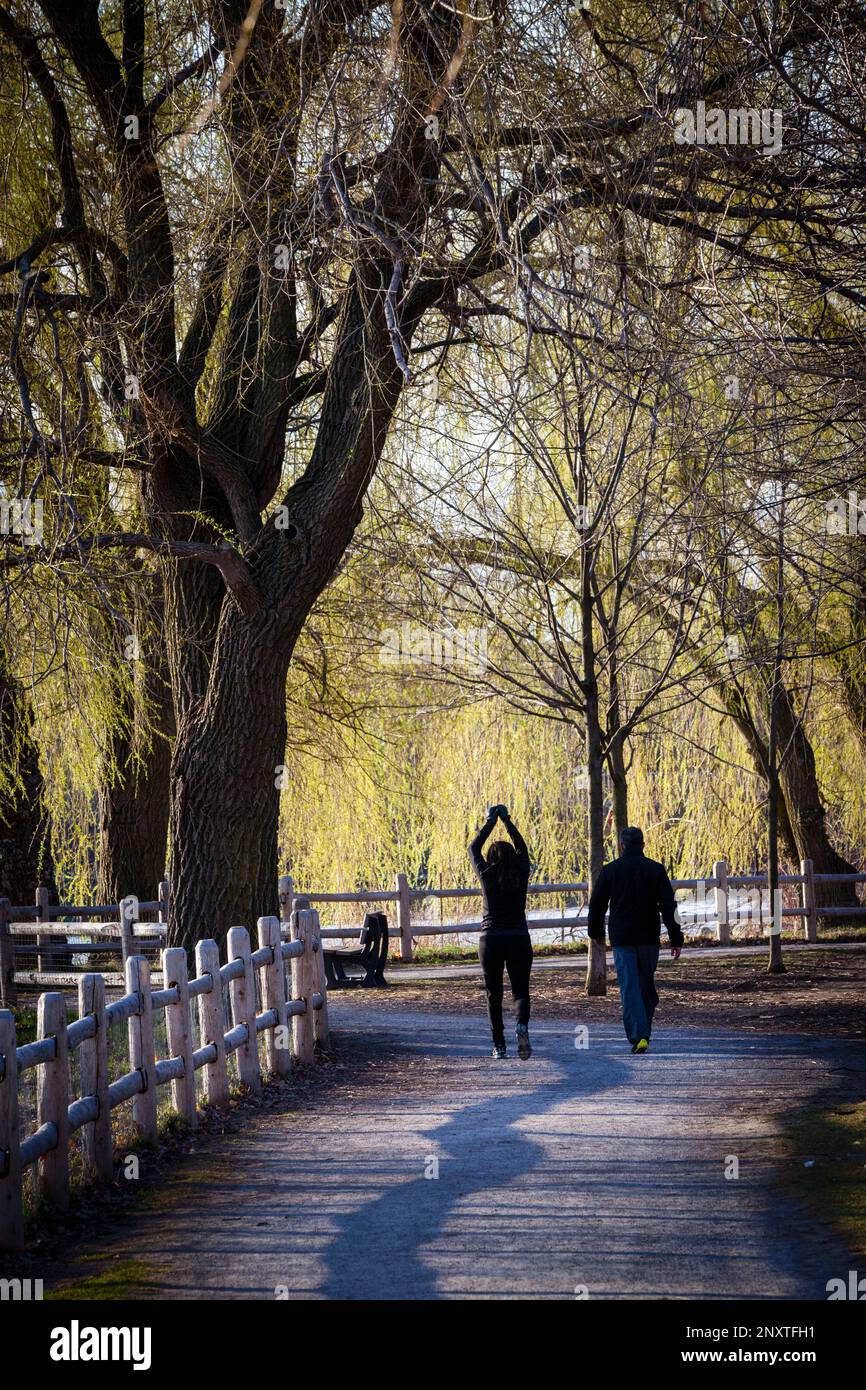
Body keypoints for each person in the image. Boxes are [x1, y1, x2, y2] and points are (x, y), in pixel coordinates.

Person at [587, 825, 684, 1053]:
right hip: (649, 936)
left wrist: (596, 933)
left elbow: (597, 905)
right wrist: (675, 937)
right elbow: (669, 906)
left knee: (630, 986)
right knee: (644, 983)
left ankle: (639, 1034)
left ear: (621, 845)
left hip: (622, 937)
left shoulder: (611, 871)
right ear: (643, 845)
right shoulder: (655, 870)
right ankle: (642, 1033)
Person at [469, 804, 533, 1059]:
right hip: (518, 937)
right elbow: (522, 847)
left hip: (491, 939)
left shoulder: (486, 874)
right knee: (520, 990)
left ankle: (500, 1045)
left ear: (491, 858)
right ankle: (522, 1025)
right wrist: (507, 820)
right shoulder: (521, 872)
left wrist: (490, 822)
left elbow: (473, 848)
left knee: (493, 993)